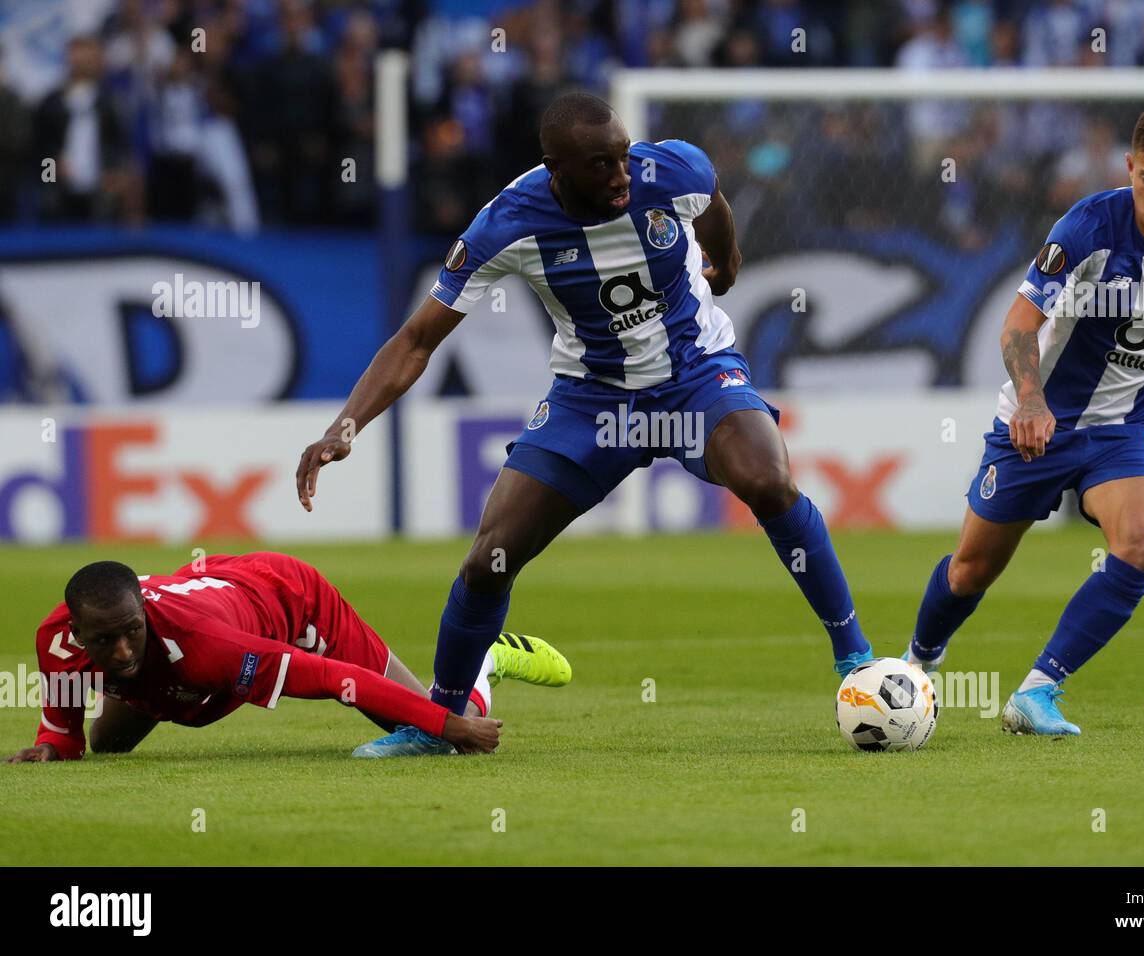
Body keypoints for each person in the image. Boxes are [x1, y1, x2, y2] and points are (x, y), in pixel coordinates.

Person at [296, 92, 874, 756]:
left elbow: (711, 202)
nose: (622, 176)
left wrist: (728, 265)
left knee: (768, 481)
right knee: (490, 560)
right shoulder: (507, 224)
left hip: (695, 375)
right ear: (556, 169)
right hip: (591, 401)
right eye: (602, 165)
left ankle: (854, 658)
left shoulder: (670, 171)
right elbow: (417, 341)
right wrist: (345, 426)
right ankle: (439, 723)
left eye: (624, 157)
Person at [902, 105, 1144, 735]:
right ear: (1129, 167)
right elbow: (1021, 322)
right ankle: (916, 668)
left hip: (1129, 431)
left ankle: (1037, 692)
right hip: (1038, 420)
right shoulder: (1087, 227)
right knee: (972, 568)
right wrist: (1030, 398)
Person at [7, 552, 571, 763]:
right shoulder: (56, 642)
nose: (122, 649)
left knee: (432, 731)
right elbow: (64, 736)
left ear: (144, 616)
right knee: (109, 745)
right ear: (77, 632)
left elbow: (331, 678)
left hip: (292, 603)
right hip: (210, 597)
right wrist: (52, 746)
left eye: (132, 631)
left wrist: (452, 725)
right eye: (105, 641)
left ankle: (483, 665)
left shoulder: (213, 651)